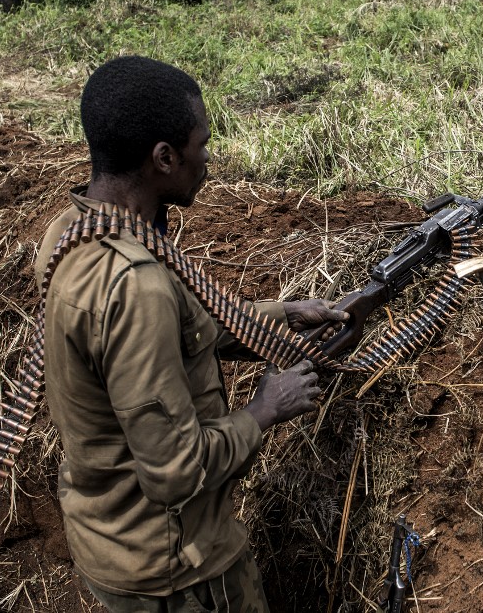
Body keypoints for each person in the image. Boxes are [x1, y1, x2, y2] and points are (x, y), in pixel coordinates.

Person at [33, 55, 347, 612]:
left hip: (110, 538)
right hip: (177, 572)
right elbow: (176, 473)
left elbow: (182, 330)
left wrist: (285, 314)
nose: (208, 158)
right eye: (202, 144)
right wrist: (266, 409)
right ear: (164, 158)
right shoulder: (138, 286)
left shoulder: (74, 231)